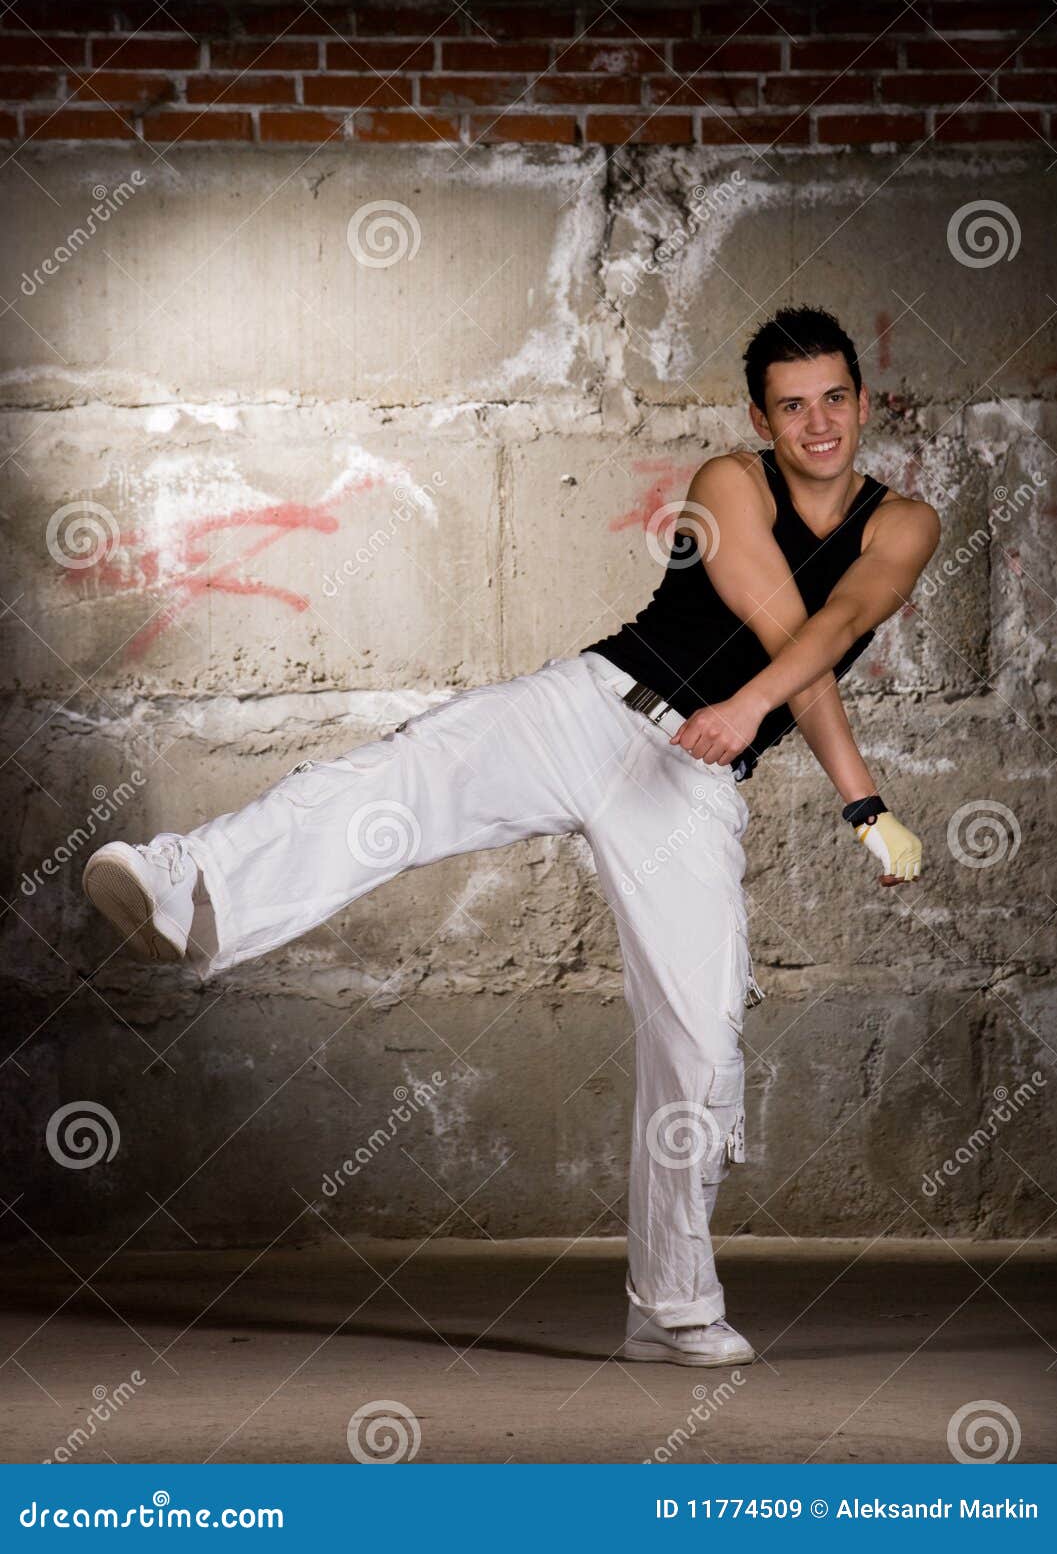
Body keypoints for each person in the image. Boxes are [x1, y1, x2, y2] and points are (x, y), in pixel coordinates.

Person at [83, 304, 940, 1370]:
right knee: (406, 769)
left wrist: (858, 804)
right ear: (759, 419)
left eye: (832, 400)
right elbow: (784, 634)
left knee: (702, 1039)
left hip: (690, 779)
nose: (816, 424)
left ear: (862, 402)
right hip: (591, 709)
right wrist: (794, 743)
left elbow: (839, 623)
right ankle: (188, 884)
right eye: (790, 406)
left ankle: (668, 1308)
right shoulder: (728, 483)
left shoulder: (903, 521)